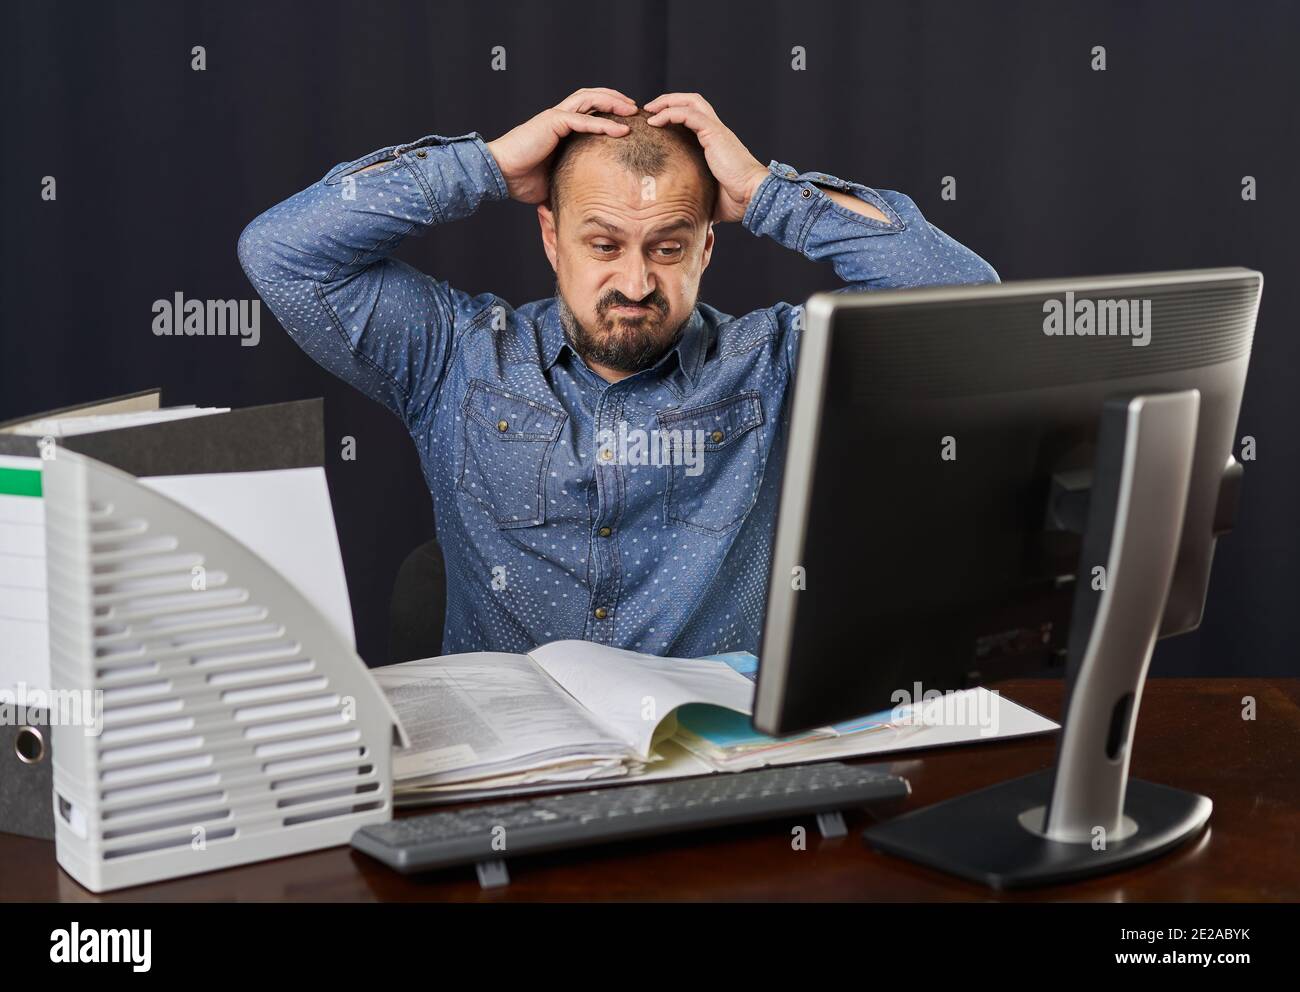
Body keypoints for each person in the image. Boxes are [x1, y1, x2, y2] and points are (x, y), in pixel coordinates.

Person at [238, 87, 999, 658]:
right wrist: (487, 166)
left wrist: (773, 194)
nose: (635, 282)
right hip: (512, 783)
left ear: (707, 247)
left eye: (667, 247)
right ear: (551, 235)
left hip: (707, 779)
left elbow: (970, 307)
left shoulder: (776, 365)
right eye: (603, 244)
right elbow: (282, 252)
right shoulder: (453, 355)